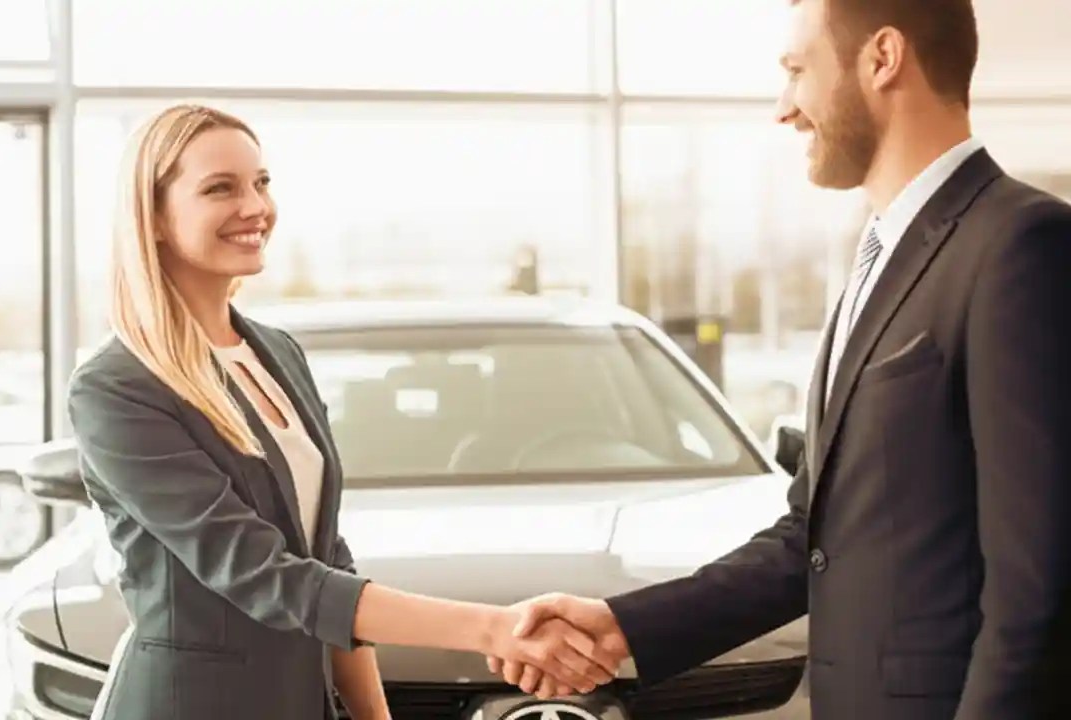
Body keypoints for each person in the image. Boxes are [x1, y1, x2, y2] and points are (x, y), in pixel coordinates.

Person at [491, 1, 1071, 718]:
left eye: (797, 70)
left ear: (883, 58)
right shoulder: (879, 258)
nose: (784, 109)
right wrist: (622, 623)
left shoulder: (1020, 246)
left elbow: (1039, 582)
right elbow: (814, 539)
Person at [69, 103, 625, 720]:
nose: (255, 207)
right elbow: (263, 575)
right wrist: (493, 630)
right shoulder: (117, 388)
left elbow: (325, 562)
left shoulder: (276, 352)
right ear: (155, 219)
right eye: (219, 188)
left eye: (261, 182)